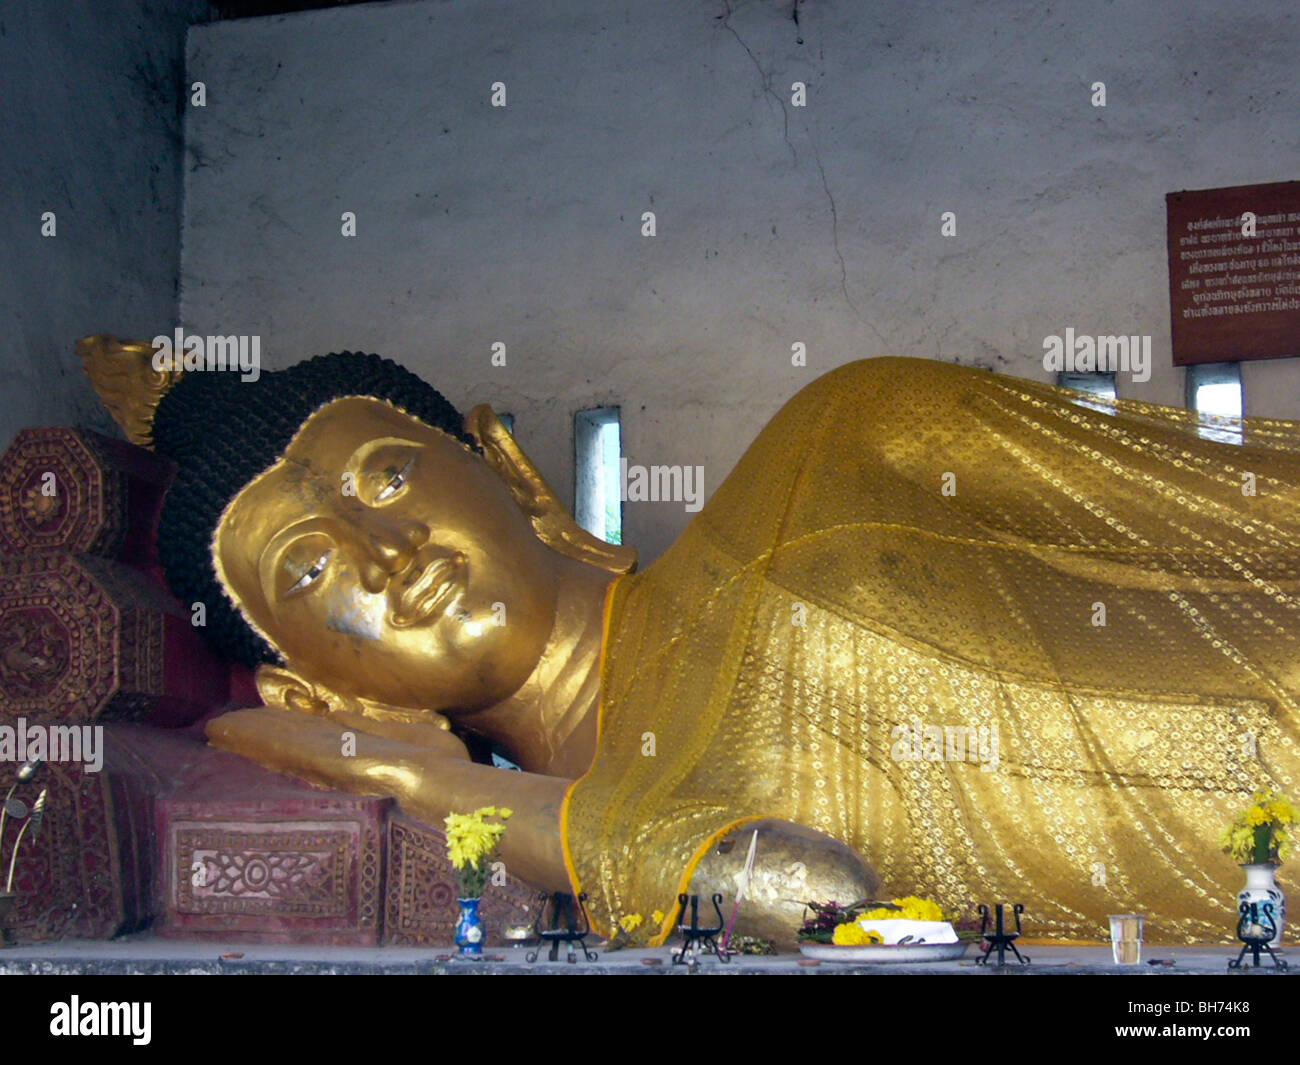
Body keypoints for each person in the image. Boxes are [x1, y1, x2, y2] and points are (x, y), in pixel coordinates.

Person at [82, 337, 1300, 945]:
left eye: (388, 473)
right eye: (307, 568)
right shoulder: (652, 835)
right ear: (308, 683)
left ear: (507, 470)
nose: (382, 554)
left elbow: (1245, 510)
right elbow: (817, 899)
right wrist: (420, 780)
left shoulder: (840, 436)